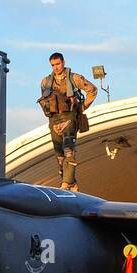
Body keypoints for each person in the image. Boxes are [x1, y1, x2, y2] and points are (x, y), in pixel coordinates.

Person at [37, 52, 97, 192]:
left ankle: (65, 184)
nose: (56, 67)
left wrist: (81, 107)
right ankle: (72, 183)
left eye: (58, 64)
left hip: (69, 118)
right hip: (54, 121)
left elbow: (92, 90)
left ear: (63, 62)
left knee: (69, 150)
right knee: (59, 156)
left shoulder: (74, 78)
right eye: (53, 65)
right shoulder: (45, 82)